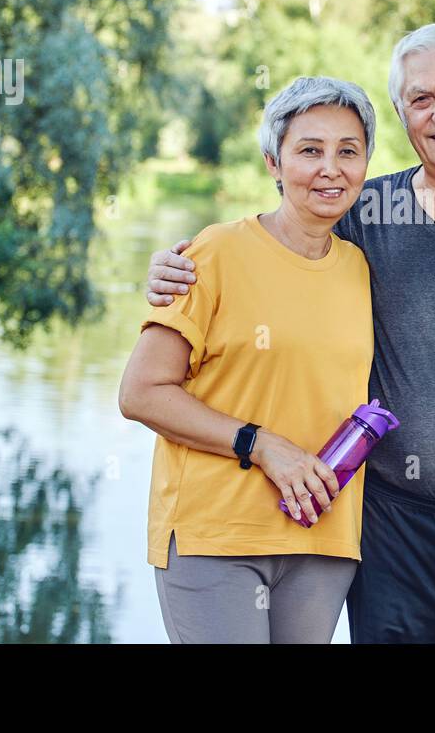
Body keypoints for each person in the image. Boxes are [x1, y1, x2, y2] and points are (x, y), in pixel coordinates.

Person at [148, 24, 435, 643]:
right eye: (421, 99)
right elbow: (271, 245)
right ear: (401, 113)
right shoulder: (361, 213)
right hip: (390, 530)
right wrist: (174, 269)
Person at [119, 76, 378, 643]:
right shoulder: (214, 253)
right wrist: (262, 446)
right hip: (217, 535)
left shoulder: (363, 266)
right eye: (309, 150)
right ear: (273, 162)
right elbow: (141, 392)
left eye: (348, 151)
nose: (330, 168)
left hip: (322, 538)